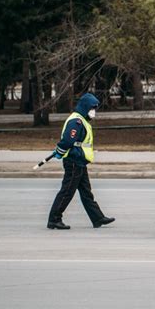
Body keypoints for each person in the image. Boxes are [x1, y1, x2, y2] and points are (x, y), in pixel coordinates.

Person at [47, 93, 115, 230]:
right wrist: (60, 152)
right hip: (73, 161)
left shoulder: (81, 120)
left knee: (86, 192)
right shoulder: (76, 121)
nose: (94, 111)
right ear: (85, 107)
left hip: (79, 161)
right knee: (67, 191)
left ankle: (97, 218)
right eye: (92, 108)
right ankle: (54, 219)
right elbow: (67, 140)